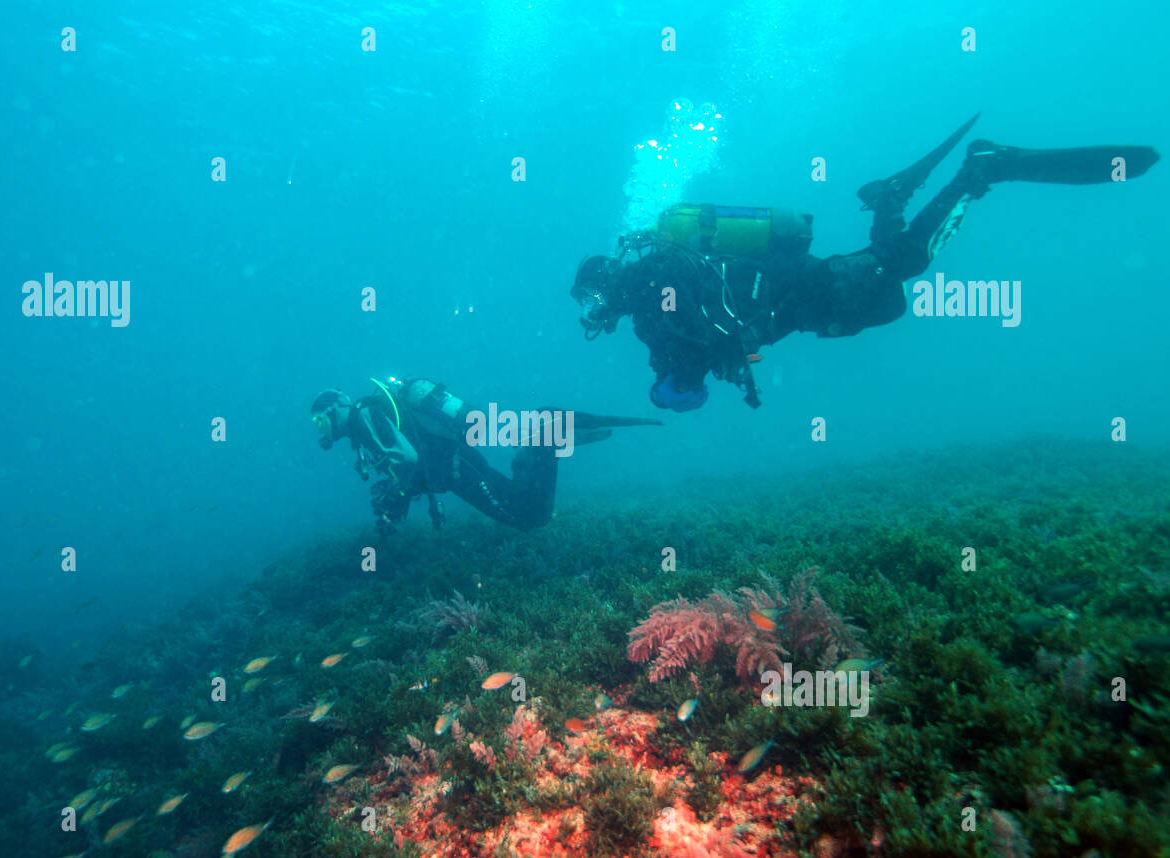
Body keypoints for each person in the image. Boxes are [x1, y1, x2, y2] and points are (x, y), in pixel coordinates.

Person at [570, 115, 1160, 411]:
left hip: (802, 288)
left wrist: (705, 363)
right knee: (891, 284)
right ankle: (904, 196)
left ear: (604, 281)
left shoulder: (652, 280)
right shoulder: (649, 302)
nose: (594, 313)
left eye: (590, 299)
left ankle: (979, 171)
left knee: (898, 267)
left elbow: (715, 320)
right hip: (801, 300)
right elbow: (699, 340)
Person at [311, 377, 660, 534]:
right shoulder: (365, 424)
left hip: (457, 468)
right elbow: (411, 458)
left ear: (332, 409)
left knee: (529, 517)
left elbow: (409, 461)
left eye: (318, 421)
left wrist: (397, 494)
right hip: (458, 465)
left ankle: (544, 440)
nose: (319, 430)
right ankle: (532, 452)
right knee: (523, 507)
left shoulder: (364, 416)